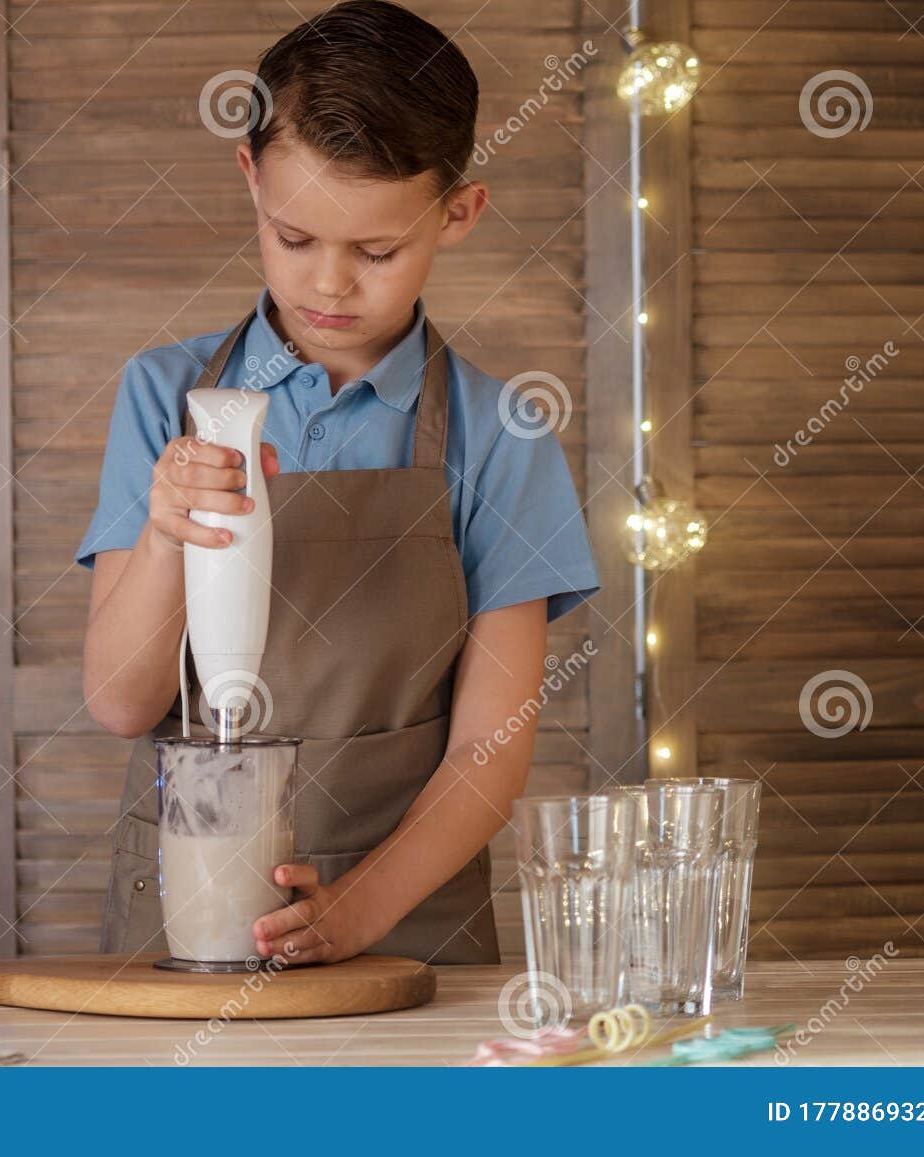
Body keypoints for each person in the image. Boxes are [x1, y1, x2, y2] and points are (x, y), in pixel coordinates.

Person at [76, 0, 599, 966]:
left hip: (409, 939)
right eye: (294, 237)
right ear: (250, 182)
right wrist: (163, 534)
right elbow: (119, 701)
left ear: (458, 211)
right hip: (182, 931)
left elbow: (492, 751)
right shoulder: (167, 395)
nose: (328, 285)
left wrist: (356, 911)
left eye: (377, 251)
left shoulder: (500, 436)